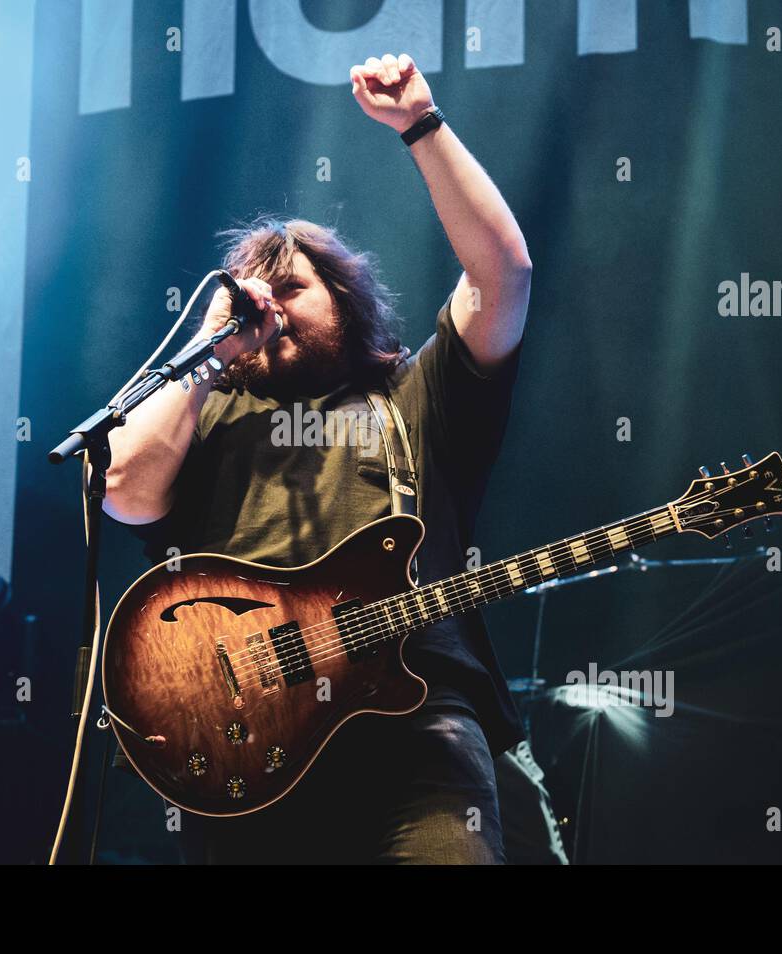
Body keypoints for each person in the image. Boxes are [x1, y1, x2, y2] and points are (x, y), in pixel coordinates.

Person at [103, 53, 533, 863]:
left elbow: (504, 274)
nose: (265, 307)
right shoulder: (204, 414)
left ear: (346, 298)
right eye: (247, 294)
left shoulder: (414, 397)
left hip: (417, 726)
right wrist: (208, 353)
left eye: (289, 287)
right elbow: (122, 489)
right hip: (243, 745)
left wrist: (422, 126)